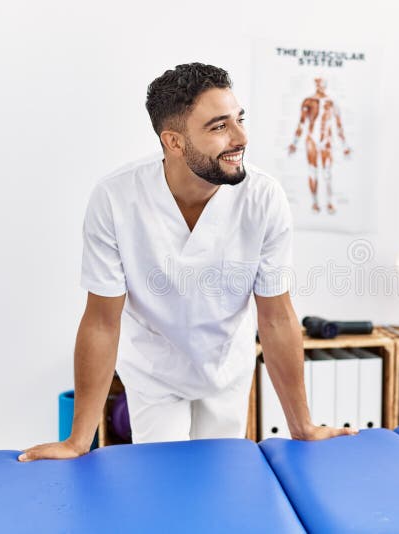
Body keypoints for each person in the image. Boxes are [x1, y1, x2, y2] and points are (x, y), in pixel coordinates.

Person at [19, 63, 355, 462]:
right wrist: (78, 440)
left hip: (227, 365)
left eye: (239, 119)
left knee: (220, 481)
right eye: (219, 127)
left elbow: (277, 317)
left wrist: (302, 426)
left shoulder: (263, 198)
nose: (241, 137)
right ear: (174, 142)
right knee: (162, 484)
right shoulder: (115, 199)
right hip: (153, 369)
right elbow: (101, 321)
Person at [287, 77, 351, 214]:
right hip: (312, 140)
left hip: (326, 140)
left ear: (325, 85)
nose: (319, 86)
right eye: (317, 83)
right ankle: (315, 203)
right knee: (313, 172)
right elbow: (301, 123)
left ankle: (329, 202)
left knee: (327, 172)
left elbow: (339, 124)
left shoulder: (332, 102)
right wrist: (294, 143)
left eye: (322, 83)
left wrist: (345, 145)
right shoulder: (308, 101)